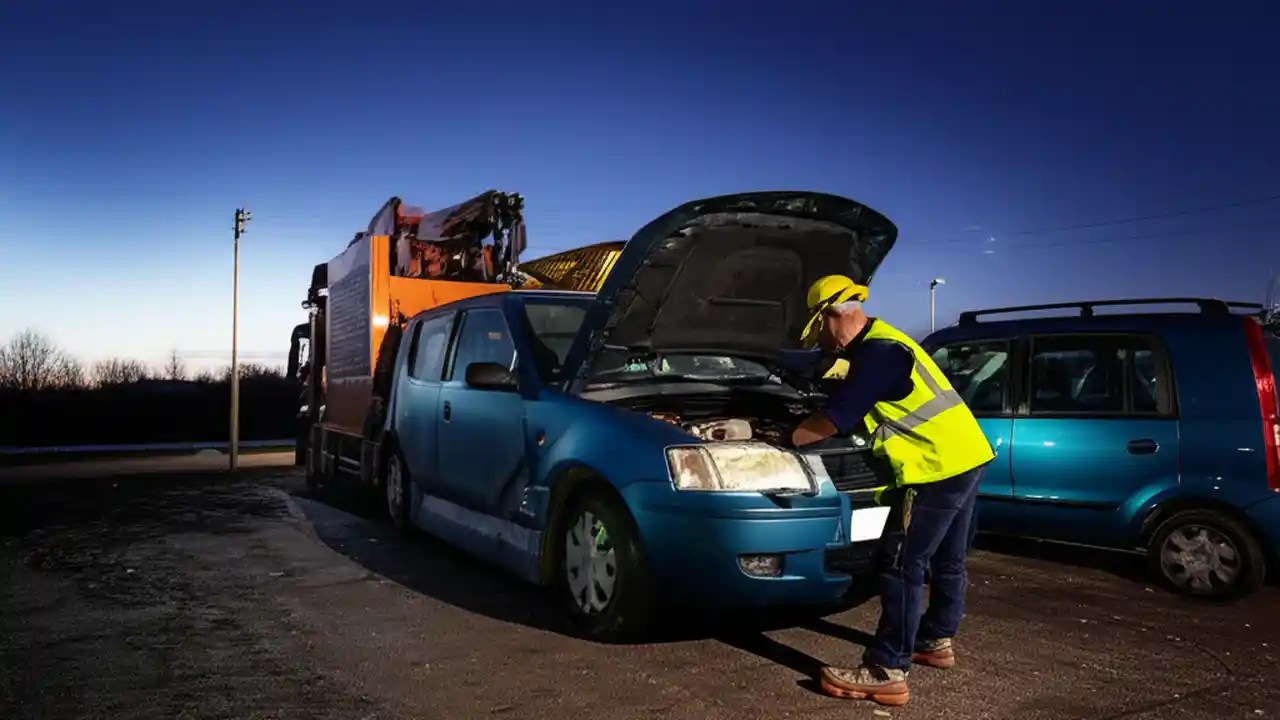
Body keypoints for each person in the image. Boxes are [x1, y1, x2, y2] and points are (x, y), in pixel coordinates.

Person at [790, 275, 995, 707]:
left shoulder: (877, 355)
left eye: (818, 330)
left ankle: (886, 667)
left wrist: (783, 438)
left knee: (901, 562)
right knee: (947, 559)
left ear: (830, 317)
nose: (820, 340)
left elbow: (833, 420)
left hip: (935, 468)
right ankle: (935, 640)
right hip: (967, 456)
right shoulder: (890, 341)